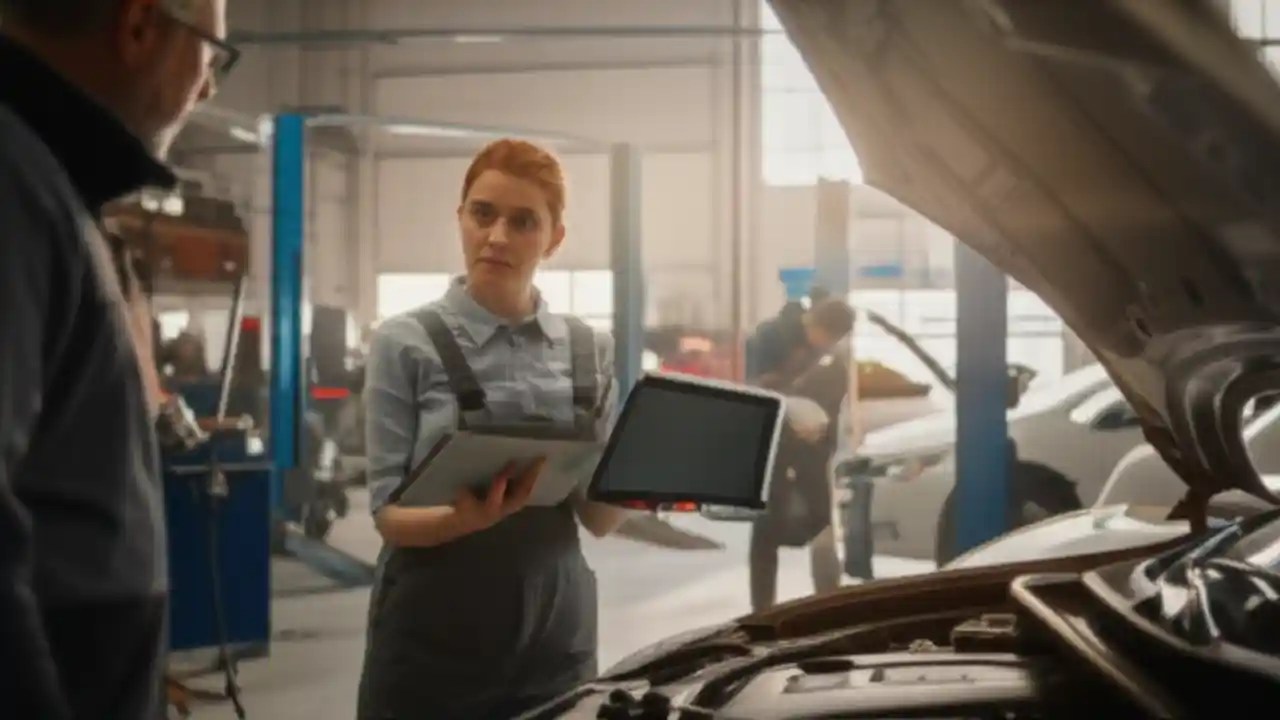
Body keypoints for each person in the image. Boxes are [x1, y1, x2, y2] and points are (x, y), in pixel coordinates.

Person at [0, 1, 230, 718]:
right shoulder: (14, 185)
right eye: (210, 55)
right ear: (139, 29)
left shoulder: (45, 179)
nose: (209, 88)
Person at [356, 138, 630, 720]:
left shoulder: (590, 350)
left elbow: (599, 519)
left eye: (523, 221)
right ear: (461, 218)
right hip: (434, 644)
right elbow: (387, 515)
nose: (497, 236)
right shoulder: (403, 343)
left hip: (556, 641)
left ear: (554, 237)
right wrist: (460, 520)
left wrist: (646, 479)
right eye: (483, 214)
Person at [748, 298, 855, 611]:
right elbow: (756, 386)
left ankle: (827, 602)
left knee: (822, 520)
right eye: (827, 338)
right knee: (766, 527)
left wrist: (822, 431)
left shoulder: (831, 355)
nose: (828, 345)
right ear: (814, 324)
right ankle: (763, 608)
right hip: (774, 447)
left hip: (813, 447)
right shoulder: (771, 335)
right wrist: (792, 396)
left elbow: (836, 398)